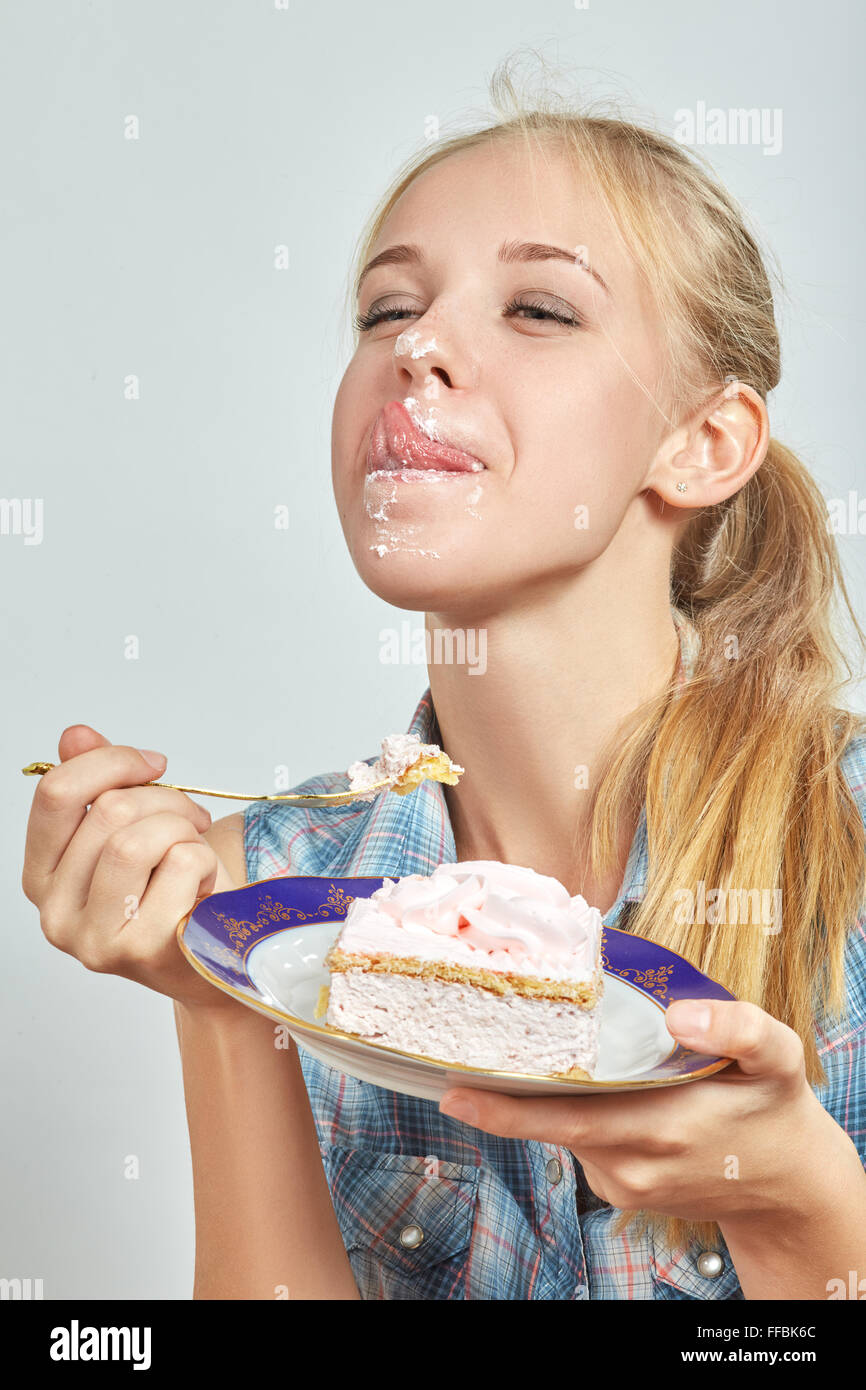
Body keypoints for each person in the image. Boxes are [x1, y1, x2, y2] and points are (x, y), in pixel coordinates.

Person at [22, 57, 866, 1300]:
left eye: (537, 310)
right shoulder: (270, 898)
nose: (416, 345)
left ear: (704, 442)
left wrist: (802, 1208)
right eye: (382, 310)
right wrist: (217, 1004)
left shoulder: (844, 827)